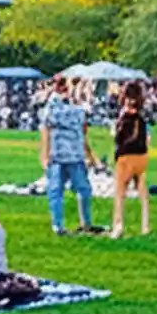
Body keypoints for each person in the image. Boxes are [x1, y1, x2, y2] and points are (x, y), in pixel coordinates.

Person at [40, 77, 104, 235]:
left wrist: (90, 156)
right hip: (59, 155)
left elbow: (81, 133)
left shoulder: (77, 107)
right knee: (57, 191)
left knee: (83, 190)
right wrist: (45, 154)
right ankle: (59, 226)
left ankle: (85, 223)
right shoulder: (54, 105)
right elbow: (46, 128)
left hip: (74, 155)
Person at [111, 82, 151, 239]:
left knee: (120, 193)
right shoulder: (141, 117)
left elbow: (118, 138)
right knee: (142, 189)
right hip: (141, 156)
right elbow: (147, 138)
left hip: (125, 156)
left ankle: (118, 225)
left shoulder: (124, 116)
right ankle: (145, 225)